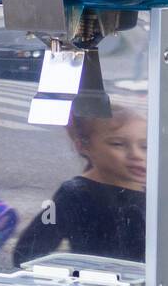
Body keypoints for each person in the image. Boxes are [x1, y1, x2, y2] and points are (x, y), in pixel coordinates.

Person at [12, 104, 147, 265]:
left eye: (144, 146)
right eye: (118, 144)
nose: (137, 155)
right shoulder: (76, 194)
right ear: (84, 146)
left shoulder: (157, 192)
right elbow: (28, 252)